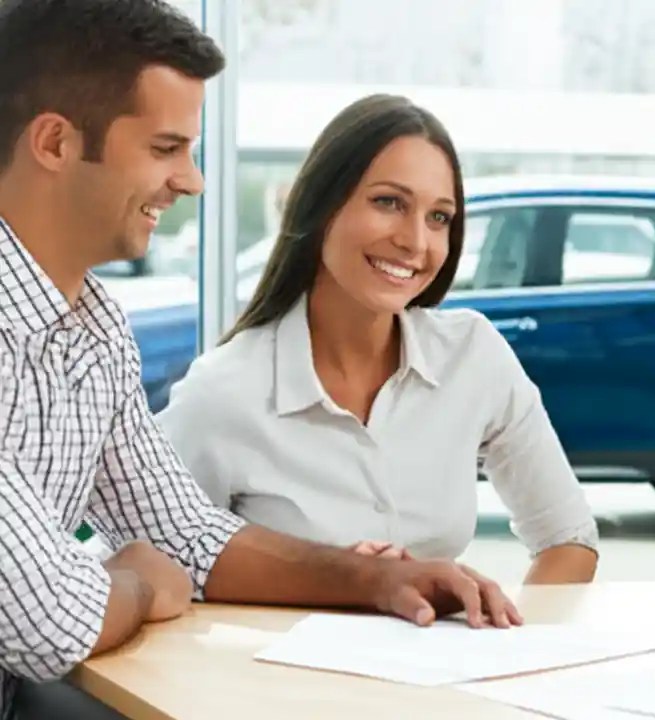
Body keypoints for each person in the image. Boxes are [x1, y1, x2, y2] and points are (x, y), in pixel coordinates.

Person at [0, 2, 520, 718]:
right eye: (164, 148)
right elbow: (47, 617)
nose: (193, 181)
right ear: (56, 143)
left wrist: (376, 583)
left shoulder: (94, 332)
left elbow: (183, 532)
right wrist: (141, 583)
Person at [154, 94, 600, 584]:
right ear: (322, 207)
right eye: (389, 203)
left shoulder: (474, 355)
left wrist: (506, 642)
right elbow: (153, 565)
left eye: (439, 217)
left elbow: (569, 537)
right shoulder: (224, 392)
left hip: (438, 658)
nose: (416, 241)